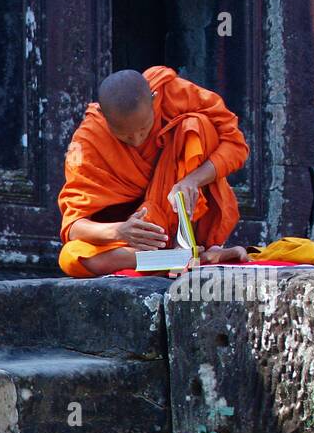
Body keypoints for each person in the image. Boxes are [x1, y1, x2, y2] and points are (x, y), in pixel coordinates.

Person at [58, 67, 250, 277]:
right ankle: (181, 259)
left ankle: (186, 247)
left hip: (184, 221)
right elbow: (73, 226)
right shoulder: (88, 141)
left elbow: (235, 144)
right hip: (138, 236)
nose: (137, 139)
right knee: (71, 255)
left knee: (197, 125)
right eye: (125, 136)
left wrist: (192, 181)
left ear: (154, 100)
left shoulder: (172, 93)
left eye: (144, 129)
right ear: (104, 117)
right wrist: (119, 231)